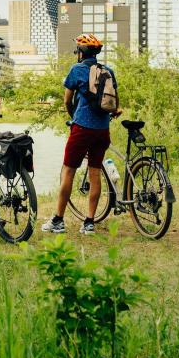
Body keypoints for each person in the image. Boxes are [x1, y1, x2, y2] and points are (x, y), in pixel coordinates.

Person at [42, 34, 121, 235]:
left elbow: (67, 100)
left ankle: (58, 220)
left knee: (68, 171)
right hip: (102, 131)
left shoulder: (77, 70)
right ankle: (89, 223)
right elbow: (113, 102)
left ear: (81, 53)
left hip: (82, 128)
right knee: (95, 173)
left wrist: (73, 117)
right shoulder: (108, 71)